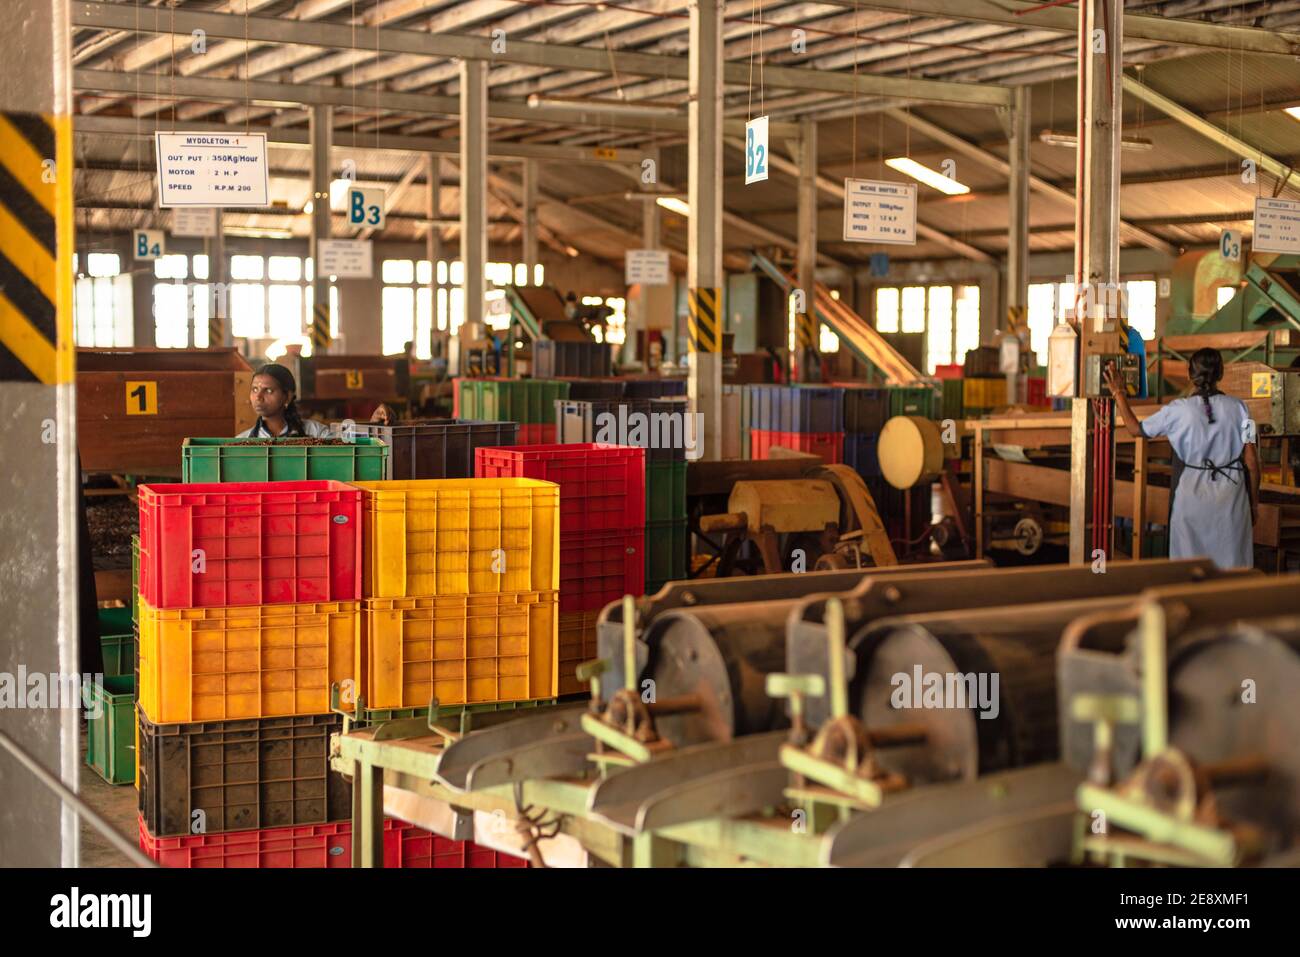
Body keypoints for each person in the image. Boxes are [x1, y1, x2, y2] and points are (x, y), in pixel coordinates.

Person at [1105, 347, 1259, 569]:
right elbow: (1252, 462)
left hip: (1191, 496)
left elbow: (1135, 429)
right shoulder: (1242, 408)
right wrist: (1253, 504)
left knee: (1189, 565)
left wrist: (1118, 392)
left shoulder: (1177, 410)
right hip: (1231, 497)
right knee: (1232, 564)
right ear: (1221, 374)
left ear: (1189, 375)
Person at [238, 363, 335, 438]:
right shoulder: (242, 442)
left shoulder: (317, 434)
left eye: (268, 390)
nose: (258, 397)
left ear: (287, 396)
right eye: (255, 389)